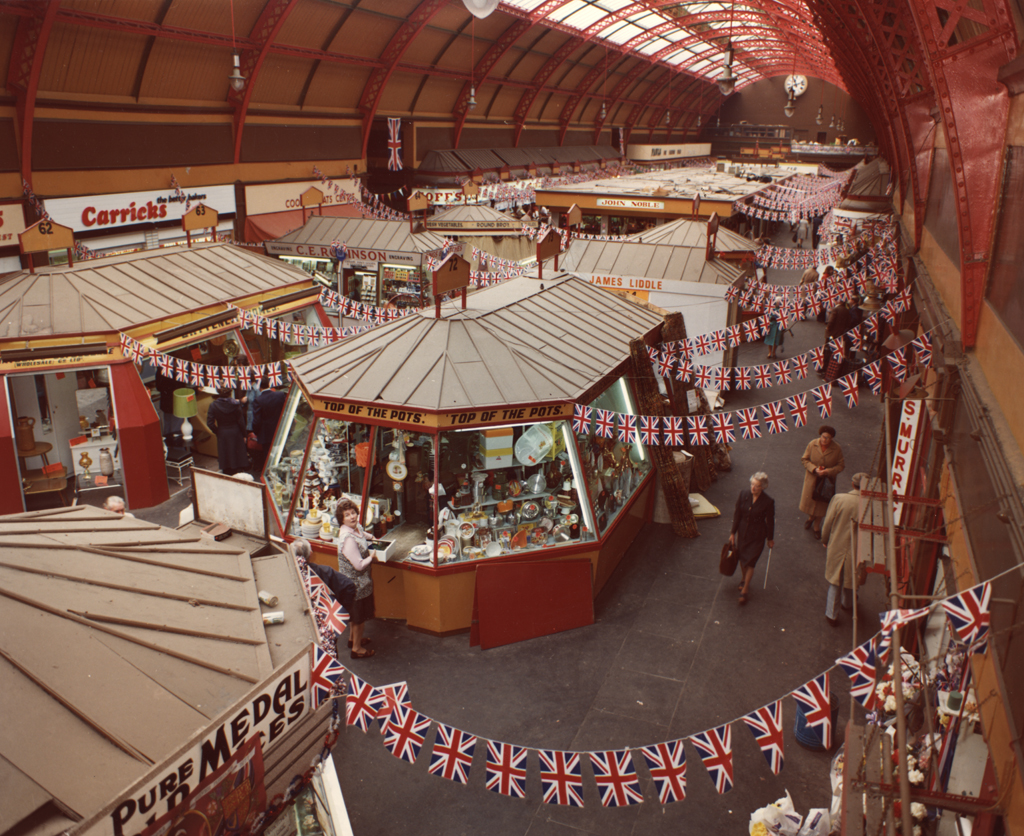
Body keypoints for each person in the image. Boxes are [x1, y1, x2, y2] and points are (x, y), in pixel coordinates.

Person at [820, 472, 868, 625]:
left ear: (853, 484)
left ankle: (831, 615)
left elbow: (828, 523)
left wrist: (825, 539)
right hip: (858, 549)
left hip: (838, 545)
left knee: (835, 580)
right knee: (851, 577)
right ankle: (848, 604)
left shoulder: (839, 499)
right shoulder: (869, 505)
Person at [290, 538, 358, 643]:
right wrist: (339, 609)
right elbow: (349, 586)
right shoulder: (325, 571)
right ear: (311, 554)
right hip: (324, 623)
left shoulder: (289, 574)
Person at [335, 498, 375, 658]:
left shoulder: (355, 528)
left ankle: (353, 640)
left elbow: (363, 534)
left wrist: (371, 537)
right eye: (347, 515)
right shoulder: (348, 538)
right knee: (359, 618)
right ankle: (357, 649)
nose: (352, 517)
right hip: (355, 584)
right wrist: (372, 556)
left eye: (353, 513)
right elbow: (359, 565)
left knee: (355, 616)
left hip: (361, 582)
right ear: (342, 519)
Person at [729, 471, 775, 606]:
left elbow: (770, 521)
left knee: (750, 561)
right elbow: (737, 514)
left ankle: (745, 588)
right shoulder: (744, 494)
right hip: (743, 532)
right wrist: (733, 532)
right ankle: (744, 579)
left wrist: (770, 539)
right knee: (743, 559)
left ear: (763, 487)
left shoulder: (768, 501)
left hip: (758, 534)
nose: (753, 488)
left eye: (757, 486)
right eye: (752, 484)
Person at [800, 425, 846, 538]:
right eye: (823, 437)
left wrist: (828, 471)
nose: (824, 440)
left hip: (827, 481)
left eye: (827, 438)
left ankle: (816, 526)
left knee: (821, 504)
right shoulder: (812, 444)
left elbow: (841, 465)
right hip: (813, 478)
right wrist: (814, 469)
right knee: (811, 501)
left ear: (832, 439)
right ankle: (811, 517)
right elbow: (804, 460)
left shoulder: (837, 448)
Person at [206, 390, 249, 476]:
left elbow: (210, 423)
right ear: (230, 393)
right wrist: (244, 435)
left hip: (222, 432)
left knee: (226, 457)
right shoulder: (236, 404)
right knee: (237, 457)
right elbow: (241, 422)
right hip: (236, 432)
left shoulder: (213, 405)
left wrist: (217, 431)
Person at [250, 386, 288, 475]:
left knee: (269, 456)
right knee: (281, 451)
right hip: (280, 429)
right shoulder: (280, 395)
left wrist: (256, 432)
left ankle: (274, 475)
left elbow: (256, 421)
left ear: (260, 387)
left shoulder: (258, 400)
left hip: (266, 434)